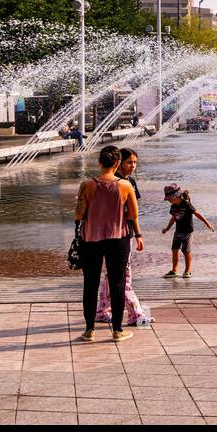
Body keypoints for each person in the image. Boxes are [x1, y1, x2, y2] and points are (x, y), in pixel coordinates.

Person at [74, 146, 142, 342]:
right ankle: (117, 330)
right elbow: (133, 214)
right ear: (117, 164)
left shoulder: (87, 185)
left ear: (99, 163)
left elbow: (79, 215)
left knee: (91, 283)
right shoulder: (125, 186)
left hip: (90, 239)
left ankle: (89, 330)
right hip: (118, 238)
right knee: (117, 283)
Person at [97, 148, 152, 327]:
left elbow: (134, 214)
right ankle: (136, 314)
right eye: (129, 162)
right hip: (116, 236)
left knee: (111, 276)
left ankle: (101, 310)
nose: (133, 166)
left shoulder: (130, 182)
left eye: (135, 162)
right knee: (123, 276)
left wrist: (138, 234)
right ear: (118, 163)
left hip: (125, 234)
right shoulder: (115, 183)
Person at [162, 183, 214, 279]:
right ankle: (174, 270)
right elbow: (173, 217)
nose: (168, 201)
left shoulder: (186, 204)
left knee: (186, 251)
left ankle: (187, 270)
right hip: (177, 232)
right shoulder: (173, 206)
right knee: (174, 250)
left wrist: (207, 224)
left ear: (176, 196)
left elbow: (197, 214)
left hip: (187, 232)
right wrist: (167, 228)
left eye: (170, 199)